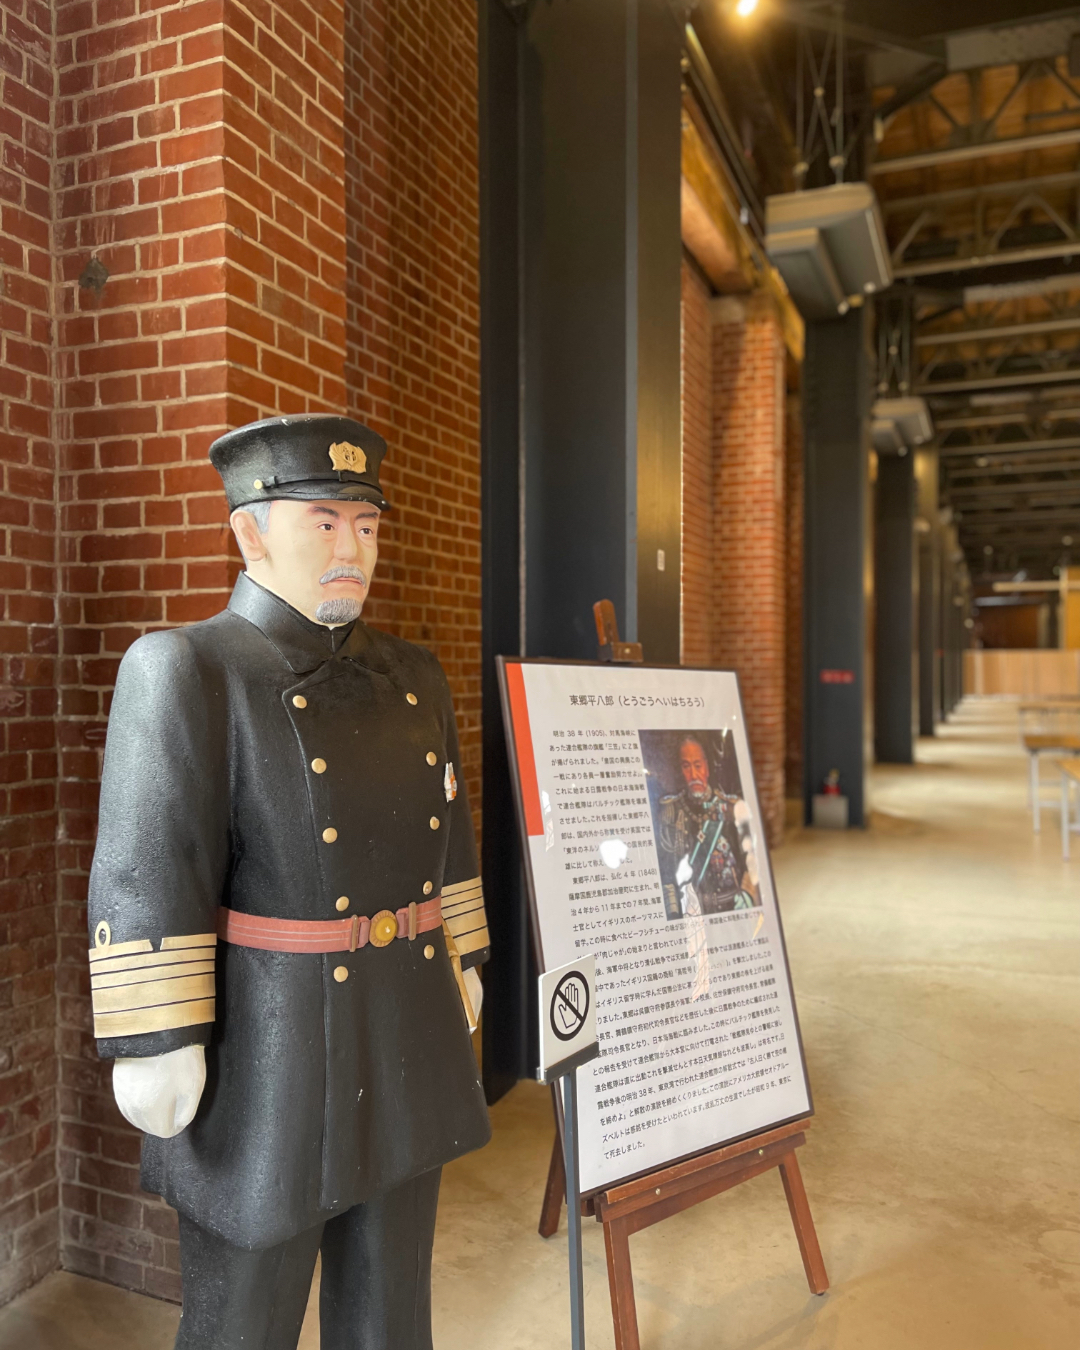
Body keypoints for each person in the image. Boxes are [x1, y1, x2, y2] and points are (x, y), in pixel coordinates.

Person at [86, 414, 491, 1350]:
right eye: (323, 521)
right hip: (270, 1051)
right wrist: (157, 1036)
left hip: (404, 1024)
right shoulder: (188, 668)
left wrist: (463, 952)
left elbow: (449, 831)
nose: (353, 546)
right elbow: (151, 860)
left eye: (366, 524)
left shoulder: (415, 676)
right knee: (245, 1322)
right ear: (250, 532)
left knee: (393, 1316)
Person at [657, 735, 758, 915]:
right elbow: (667, 875)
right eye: (686, 766)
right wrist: (675, 917)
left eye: (698, 765)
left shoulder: (731, 808)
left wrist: (748, 897)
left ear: (707, 767)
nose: (694, 775)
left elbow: (752, 861)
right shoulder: (671, 813)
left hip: (731, 910)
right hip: (691, 914)